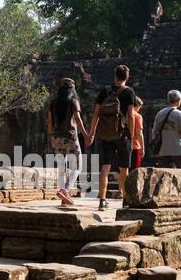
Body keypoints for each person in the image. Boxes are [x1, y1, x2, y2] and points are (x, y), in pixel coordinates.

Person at [87, 63, 137, 210]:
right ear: (127, 77)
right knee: (124, 169)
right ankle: (125, 199)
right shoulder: (129, 92)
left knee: (105, 167)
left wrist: (92, 133)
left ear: (115, 76)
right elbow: (131, 115)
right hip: (123, 135)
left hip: (105, 134)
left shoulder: (105, 91)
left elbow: (96, 114)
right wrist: (132, 135)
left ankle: (102, 200)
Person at [45, 78, 88, 207]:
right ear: (72, 89)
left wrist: (52, 137)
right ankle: (65, 189)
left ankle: (64, 196)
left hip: (57, 138)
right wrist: (86, 135)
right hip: (71, 137)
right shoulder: (73, 101)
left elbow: (49, 122)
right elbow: (78, 119)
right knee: (78, 167)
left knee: (61, 168)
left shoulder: (53, 103)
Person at [151, 89, 181, 169]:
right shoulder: (180, 114)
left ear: (168, 100)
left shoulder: (160, 113)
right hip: (178, 150)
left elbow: (154, 132)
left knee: (163, 177)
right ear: (179, 101)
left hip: (163, 150)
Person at [130, 98, 145, 170]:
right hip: (135, 147)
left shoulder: (124, 114)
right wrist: (142, 148)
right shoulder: (137, 116)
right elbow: (139, 133)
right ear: (137, 105)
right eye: (140, 107)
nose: (140, 109)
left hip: (123, 146)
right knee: (134, 171)